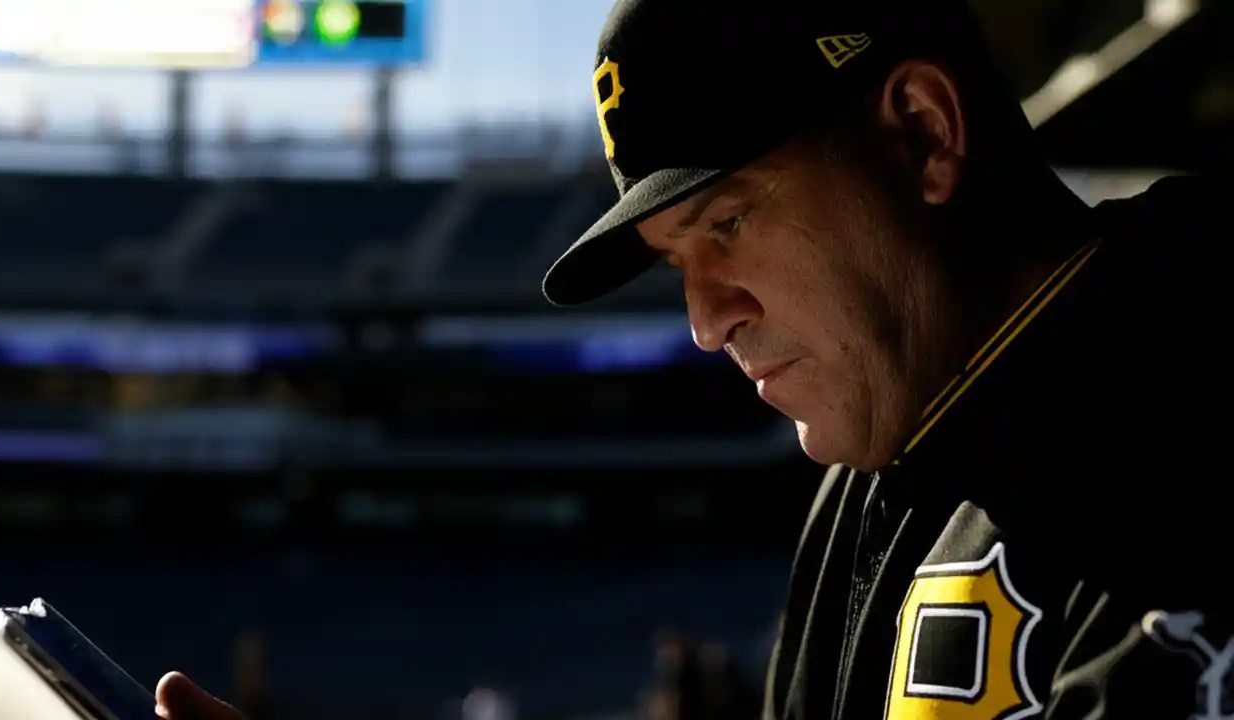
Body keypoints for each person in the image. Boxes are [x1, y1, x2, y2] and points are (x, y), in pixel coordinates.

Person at [154, 0, 1234, 718]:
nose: (703, 321)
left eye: (725, 224)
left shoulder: (1194, 378)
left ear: (920, 134)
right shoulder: (870, 478)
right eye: (673, 261)